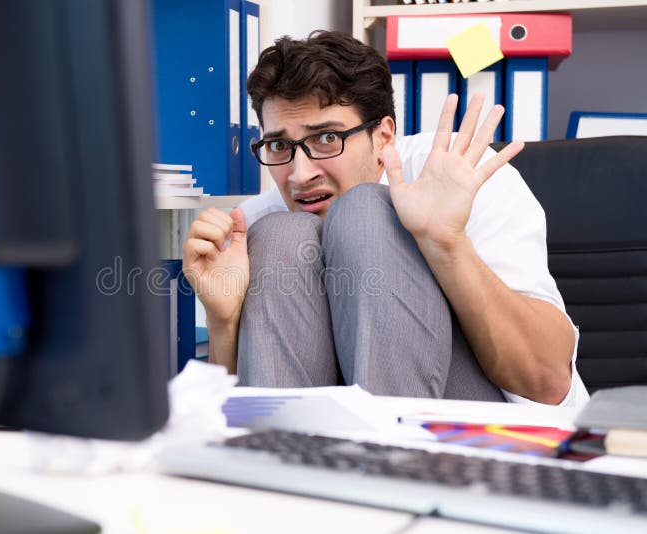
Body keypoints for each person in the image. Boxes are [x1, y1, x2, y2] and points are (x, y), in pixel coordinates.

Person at [181, 31, 588, 406]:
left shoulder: (460, 173)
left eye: (326, 138)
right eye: (279, 145)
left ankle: (387, 472)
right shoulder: (254, 223)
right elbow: (226, 412)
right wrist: (223, 317)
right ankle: (285, 472)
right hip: (327, 453)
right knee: (278, 236)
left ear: (384, 137)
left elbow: (548, 382)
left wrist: (445, 242)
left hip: (486, 437)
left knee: (365, 212)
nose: (300, 174)